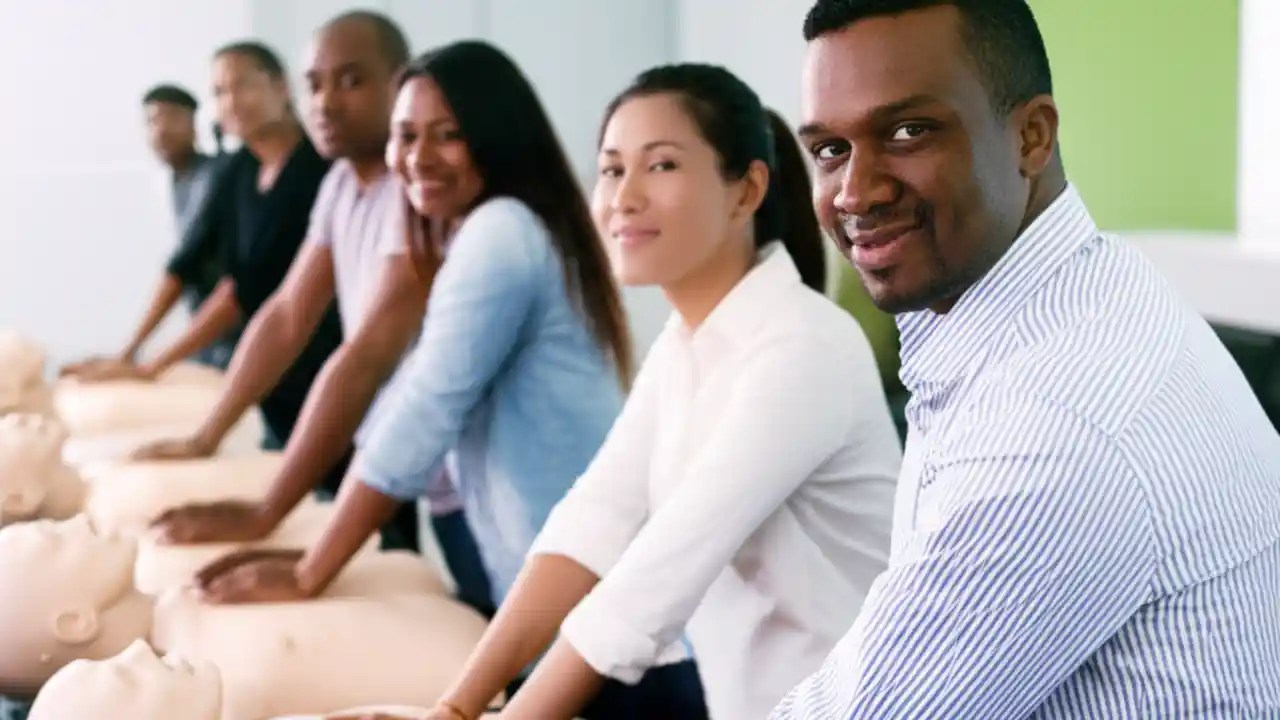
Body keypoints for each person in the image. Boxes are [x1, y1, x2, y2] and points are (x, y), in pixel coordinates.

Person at [773, 1, 1280, 718]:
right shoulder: (1083, 292)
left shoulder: (1056, 419)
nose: (855, 192)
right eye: (830, 150)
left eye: (909, 131)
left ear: (1032, 136)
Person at [410, 64, 903, 720]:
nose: (624, 197)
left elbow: (652, 581)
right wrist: (457, 707)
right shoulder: (685, 343)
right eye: (612, 169)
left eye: (661, 165)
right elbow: (593, 520)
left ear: (746, 190)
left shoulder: (803, 349)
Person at [189, 40, 630, 633]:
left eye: (448, 134)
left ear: (497, 136)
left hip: (586, 586)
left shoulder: (499, 233)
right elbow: (308, 328)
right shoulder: (461, 230)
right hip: (550, 568)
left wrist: (307, 566)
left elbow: (422, 403)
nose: (419, 158)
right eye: (407, 135)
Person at [142, 11, 492, 582]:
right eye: (316, 84)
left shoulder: (419, 191)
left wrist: (266, 512)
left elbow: (369, 352)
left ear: (400, 83)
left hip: (473, 469)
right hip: (410, 456)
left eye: (351, 81)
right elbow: (285, 314)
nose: (326, 102)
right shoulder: (339, 184)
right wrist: (205, 436)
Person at [78, 42, 343, 460]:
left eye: (243, 85)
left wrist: (154, 368)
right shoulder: (239, 170)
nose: (231, 101)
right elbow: (188, 262)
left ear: (281, 86)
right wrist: (130, 356)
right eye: (219, 92)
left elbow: (247, 293)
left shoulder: (317, 174)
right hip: (272, 380)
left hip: (331, 378)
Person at [63, 85, 237, 374]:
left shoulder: (213, 176)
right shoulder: (178, 182)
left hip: (235, 339)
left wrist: (128, 355)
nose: (161, 130)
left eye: (171, 117)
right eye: (152, 121)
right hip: (209, 341)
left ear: (194, 124)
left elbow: (182, 267)